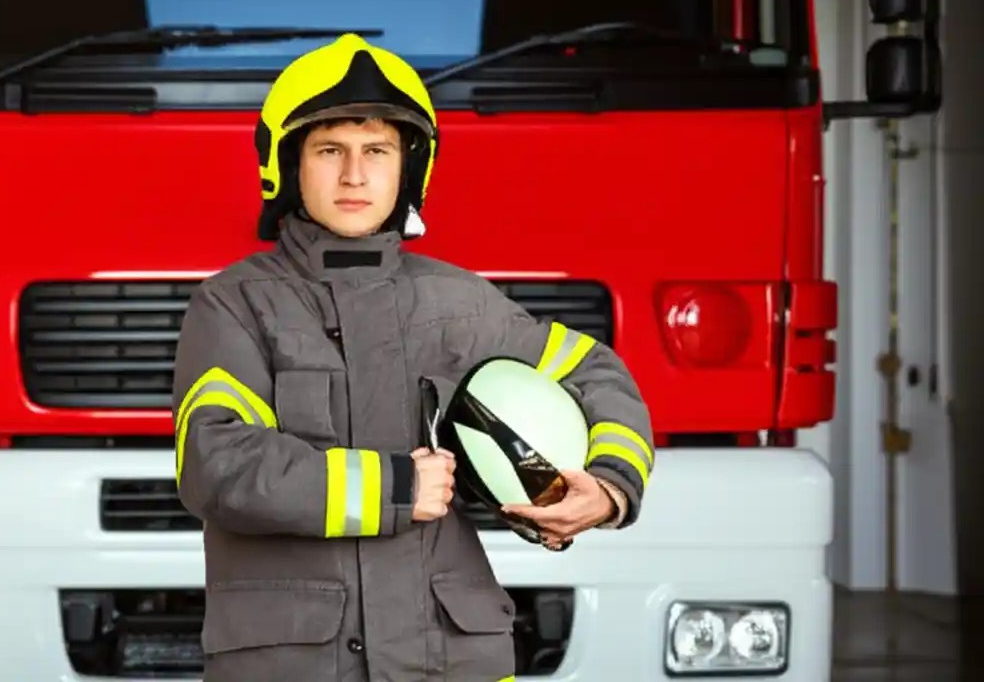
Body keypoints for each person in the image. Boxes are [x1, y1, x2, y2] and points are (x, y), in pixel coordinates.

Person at [172, 33, 655, 682]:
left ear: (409, 167)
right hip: (294, 662)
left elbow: (594, 373)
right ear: (287, 166)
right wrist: (395, 487)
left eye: (376, 150)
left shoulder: (461, 304)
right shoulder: (234, 306)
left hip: (451, 660)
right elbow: (219, 464)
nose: (354, 174)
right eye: (328, 151)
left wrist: (606, 487)